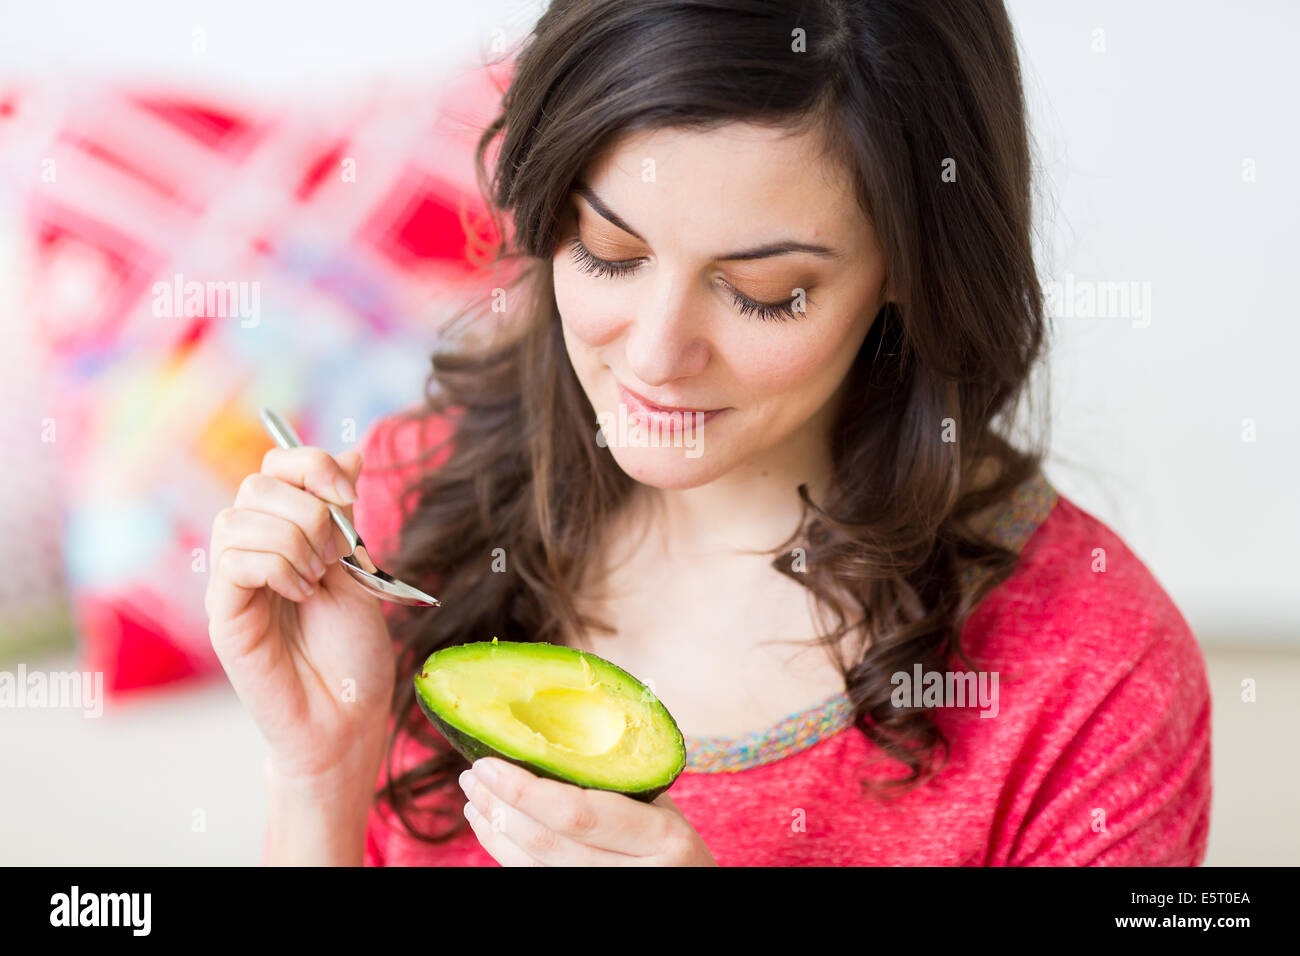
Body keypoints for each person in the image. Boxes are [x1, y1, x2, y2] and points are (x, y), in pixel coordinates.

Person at [205, 0, 1211, 866]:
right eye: (607, 254)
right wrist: (318, 778)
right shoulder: (401, 499)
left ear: (911, 265)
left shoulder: (1091, 678)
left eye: (765, 294)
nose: (651, 354)